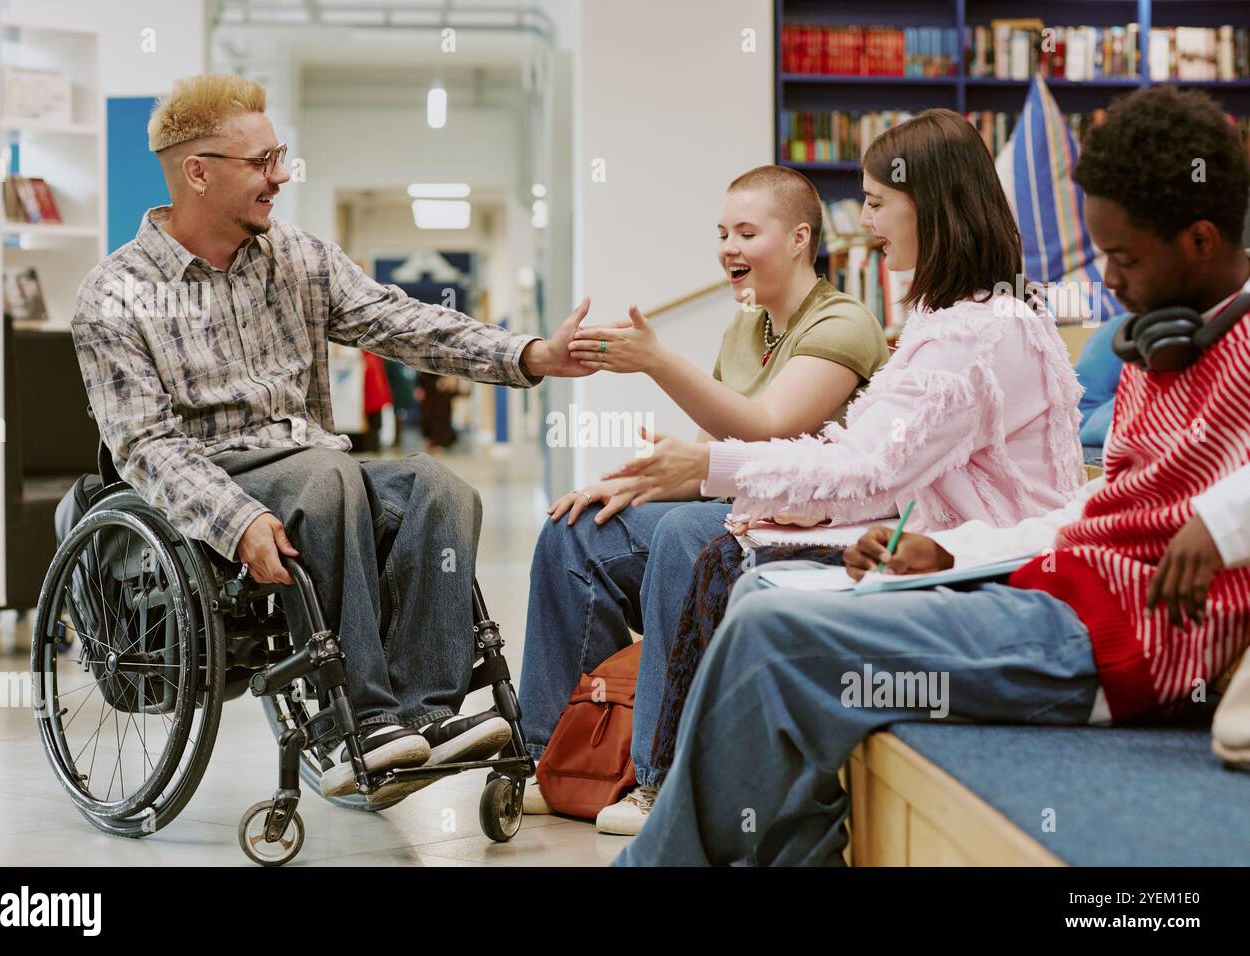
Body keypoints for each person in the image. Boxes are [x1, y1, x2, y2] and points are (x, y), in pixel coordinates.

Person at [615, 85, 1250, 865]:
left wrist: (1223, 523)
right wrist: (955, 552)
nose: (1110, 284)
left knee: (773, 631)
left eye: (1123, 259)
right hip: (1051, 591)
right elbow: (1080, 516)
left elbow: (868, 469)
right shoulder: (1162, 349)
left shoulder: (1232, 349)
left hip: (1113, 642)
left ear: (1199, 241)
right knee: (759, 607)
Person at [71, 74, 593, 804]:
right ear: (198, 171)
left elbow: (402, 322)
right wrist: (238, 516)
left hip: (318, 470)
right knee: (325, 477)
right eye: (261, 162)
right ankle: (361, 719)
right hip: (216, 478)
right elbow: (144, 446)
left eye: (279, 156)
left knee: (438, 489)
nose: (280, 176)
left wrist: (528, 354)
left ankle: (424, 714)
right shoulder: (115, 294)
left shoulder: (298, 258)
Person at [595, 108, 1087, 832]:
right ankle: (668, 782)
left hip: (980, 555)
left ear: (932, 203)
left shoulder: (976, 331)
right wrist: (756, 486)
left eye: (878, 203)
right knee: (705, 540)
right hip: (943, 533)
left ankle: (684, 789)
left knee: (716, 552)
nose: (864, 221)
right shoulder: (957, 316)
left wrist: (712, 468)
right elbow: (871, 457)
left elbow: (867, 469)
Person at [518, 166, 889, 825]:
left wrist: (659, 361)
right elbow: (701, 461)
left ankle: (662, 778)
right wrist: (624, 485)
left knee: (683, 531)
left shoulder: (845, 322)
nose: (729, 248)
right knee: (575, 530)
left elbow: (769, 430)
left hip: (800, 528)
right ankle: (558, 758)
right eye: (722, 233)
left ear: (801, 237)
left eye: (748, 232)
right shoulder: (744, 329)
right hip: (731, 510)